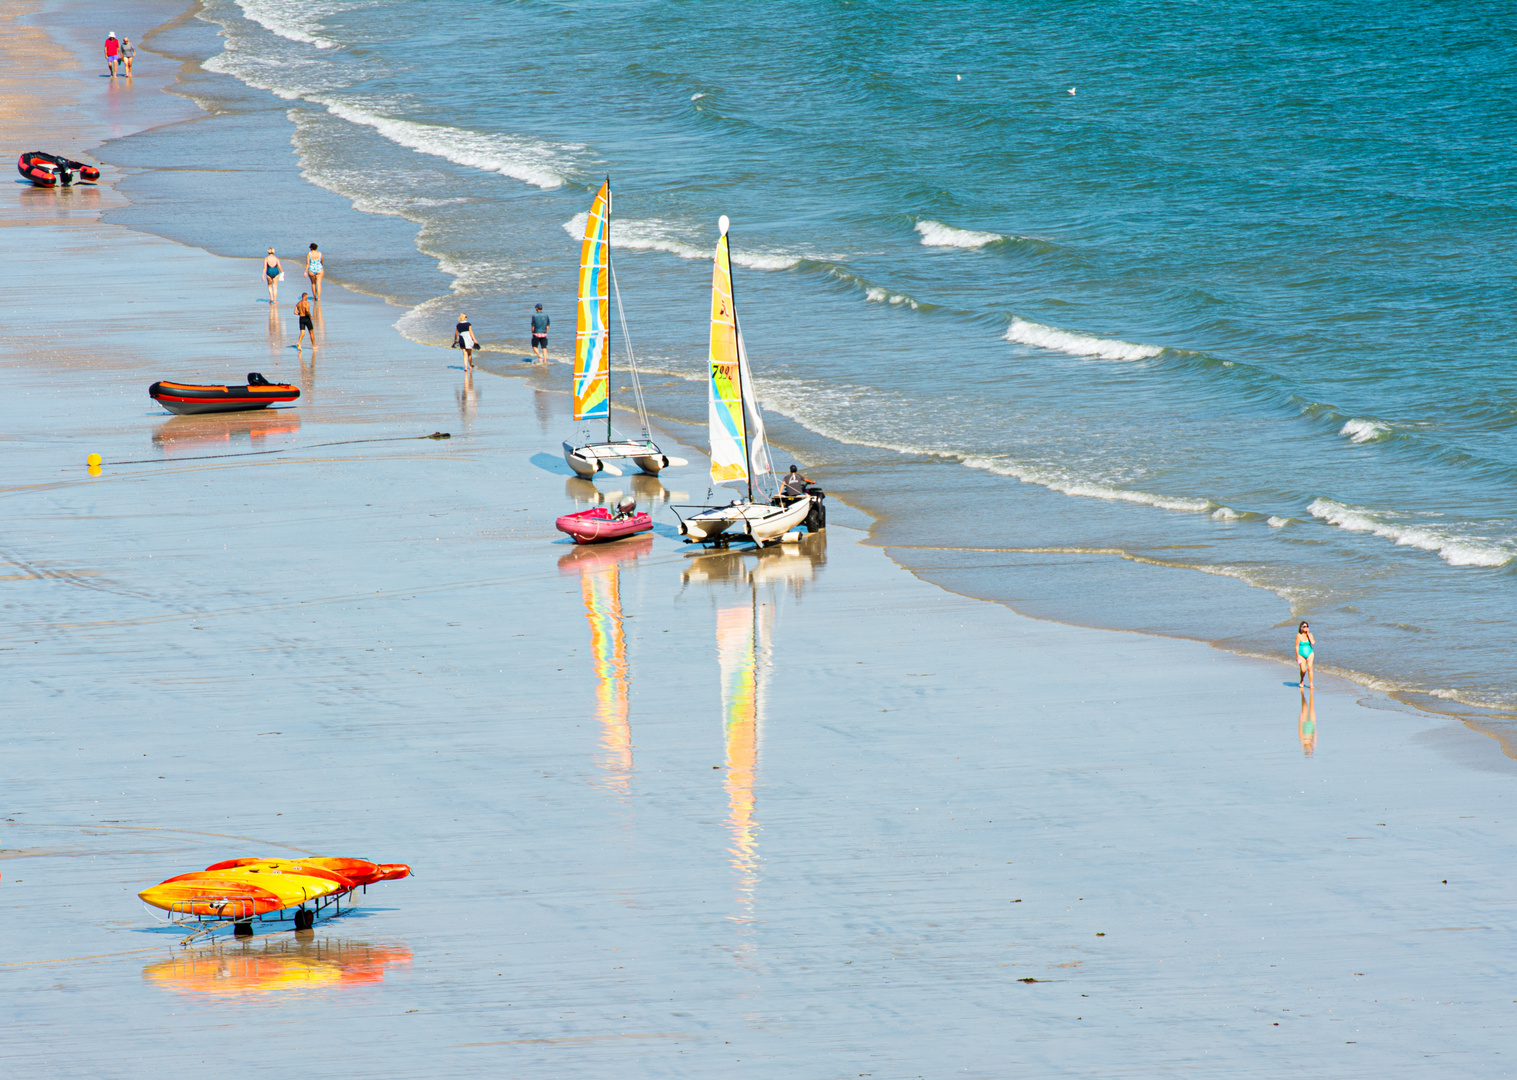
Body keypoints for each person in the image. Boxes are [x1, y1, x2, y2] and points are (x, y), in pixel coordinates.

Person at [1294, 620, 1316, 689]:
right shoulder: (1298, 635)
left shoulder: (1310, 634)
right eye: (1304, 627)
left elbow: (1313, 643)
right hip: (1301, 654)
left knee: (1310, 668)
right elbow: (1296, 646)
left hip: (1310, 653)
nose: (1305, 628)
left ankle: (1311, 684)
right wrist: (1297, 656)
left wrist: (1308, 635)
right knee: (1303, 669)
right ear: (1301, 628)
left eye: (1307, 627)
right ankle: (1301, 680)